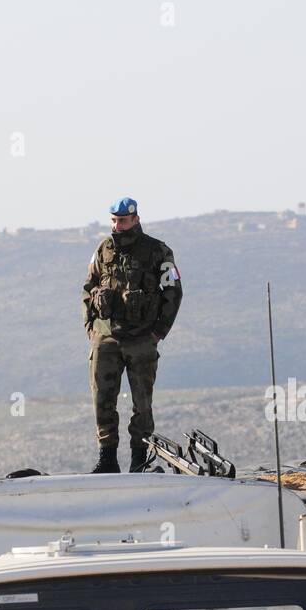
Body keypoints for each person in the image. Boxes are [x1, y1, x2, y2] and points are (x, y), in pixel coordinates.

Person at [81, 197, 184, 473]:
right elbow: (88, 288)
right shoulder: (103, 250)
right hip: (106, 338)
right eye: (114, 220)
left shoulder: (157, 251)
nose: (118, 225)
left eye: (123, 220)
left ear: (136, 219)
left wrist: (158, 333)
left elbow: (173, 292)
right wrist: (91, 328)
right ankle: (107, 459)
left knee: (142, 403)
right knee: (102, 399)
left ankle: (140, 459)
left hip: (141, 340)